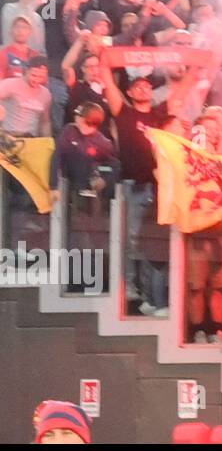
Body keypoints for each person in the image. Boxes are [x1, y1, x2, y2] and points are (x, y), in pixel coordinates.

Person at [100, 65, 170, 316]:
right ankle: (130, 287)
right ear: (129, 91)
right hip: (133, 185)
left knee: (152, 242)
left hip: (159, 187)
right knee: (131, 239)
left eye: (147, 85)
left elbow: (185, 91)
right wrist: (106, 59)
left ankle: (151, 296)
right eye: (138, 86)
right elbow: (107, 80)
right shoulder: (125, 114)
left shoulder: (160, 116)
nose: (143, 88)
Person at [53, 101, 119, 294]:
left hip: (91, 198)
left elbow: (115, 165)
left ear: (90, 121)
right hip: (69, 193)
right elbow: (57, 157)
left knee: (90, 238)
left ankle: (92, 282)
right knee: (75, 237)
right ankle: (73, 281)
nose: (76, 118)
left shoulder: (103, 143)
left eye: (80, 116)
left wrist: (104, 180)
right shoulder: (69, 132)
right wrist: (53, 186)